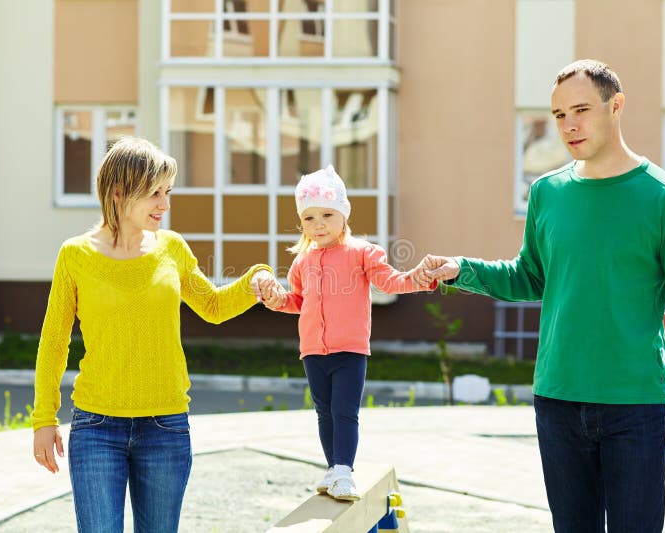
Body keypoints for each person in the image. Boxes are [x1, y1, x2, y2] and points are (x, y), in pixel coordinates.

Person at [415, 59, 665, 532]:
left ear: (616, 106)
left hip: (633, 405)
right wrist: (461, 270)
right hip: (557, 401)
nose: (569, 125)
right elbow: (530, 276)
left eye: (581, 110)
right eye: (558, 115)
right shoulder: (547, 193)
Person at [31, 137, 276, 532]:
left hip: (165, 426)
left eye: (167, 192)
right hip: (96, 428)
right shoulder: (75, 255)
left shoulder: (172, 248)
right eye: (154, 193)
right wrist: (44, 418)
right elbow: (54, 342)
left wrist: (256, 280)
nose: (165, 204)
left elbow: (212, 306)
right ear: (118, 192)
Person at [256, 165, 435, 501]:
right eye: (309, 218)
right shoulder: (302, 262)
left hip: (350, 351)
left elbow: (390, 282)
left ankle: (344, 471)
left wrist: (419, 278)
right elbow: (297, 301)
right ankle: (332, 469)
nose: (318, 224)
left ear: (343, 214)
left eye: (327, 214)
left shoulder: (362, 252)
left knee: (344, 411)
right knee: (324, 412)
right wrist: (274, 299)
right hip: (312, 351)